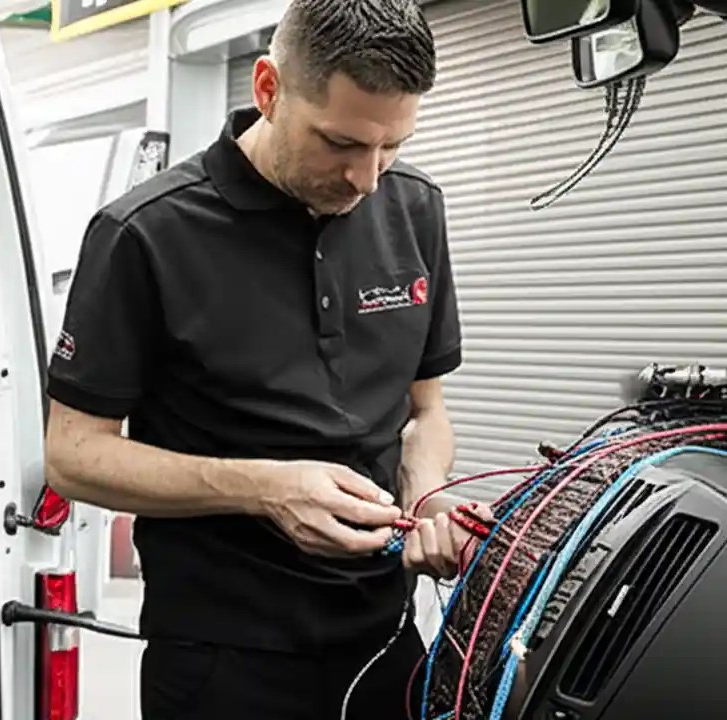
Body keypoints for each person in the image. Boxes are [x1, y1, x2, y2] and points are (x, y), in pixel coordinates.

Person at [43, 0, 488, 717]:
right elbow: (72, 456)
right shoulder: (143, 234)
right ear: (268, 89)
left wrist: (429, 491)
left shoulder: (415, 210)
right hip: (221, 663)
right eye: (340, 143)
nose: (366, 179)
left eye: (391, 147)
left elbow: (425, 414)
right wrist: (265, 488)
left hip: (388, 646)